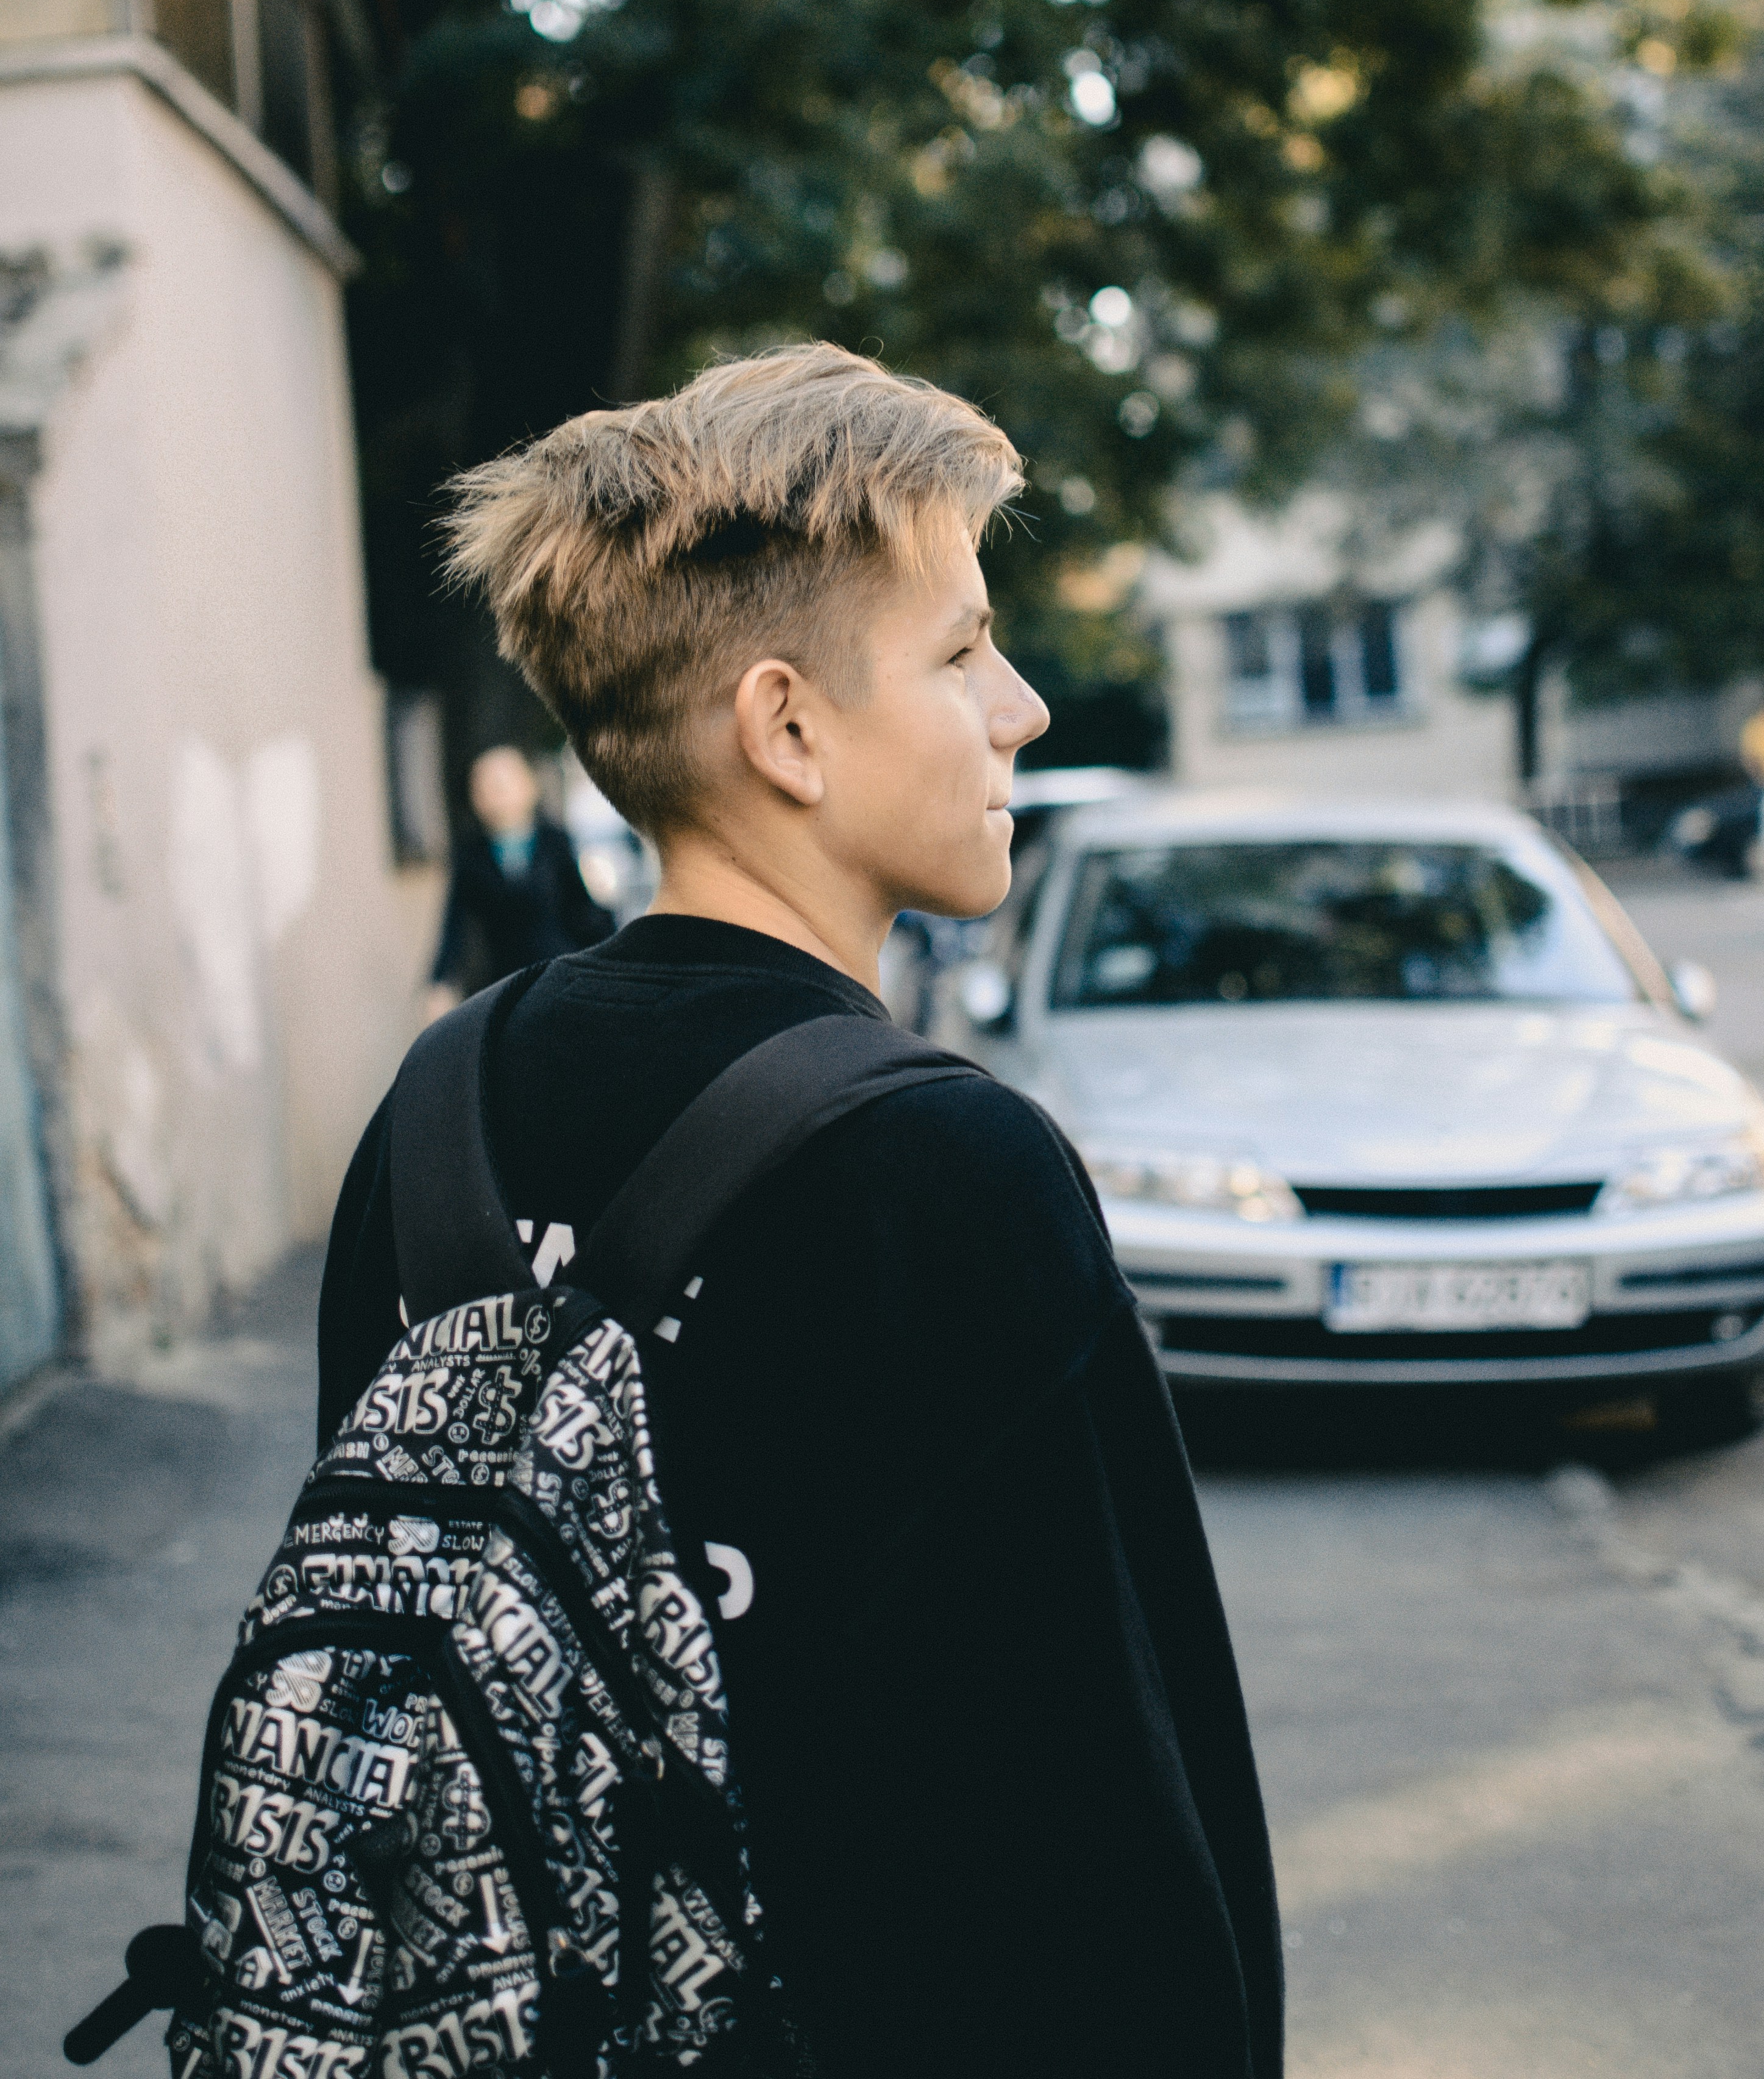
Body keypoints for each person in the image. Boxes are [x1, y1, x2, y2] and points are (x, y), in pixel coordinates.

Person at [319, 344, 1284, 2079]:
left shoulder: (433, 1112)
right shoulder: (946, 1171)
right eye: (966, 647)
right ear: (787, 728)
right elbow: (1110, 1814)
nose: (1025, 709)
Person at [424, 740, 613, 1017]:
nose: (493, 791)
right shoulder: (470, 856)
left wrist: (612, 958)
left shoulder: (555, 842)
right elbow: (455, 925)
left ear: (529, 786)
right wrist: (440, 982)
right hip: (503, 985)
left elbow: (582, 910)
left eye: (503, 781)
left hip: (561, 975)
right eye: (483, 784)